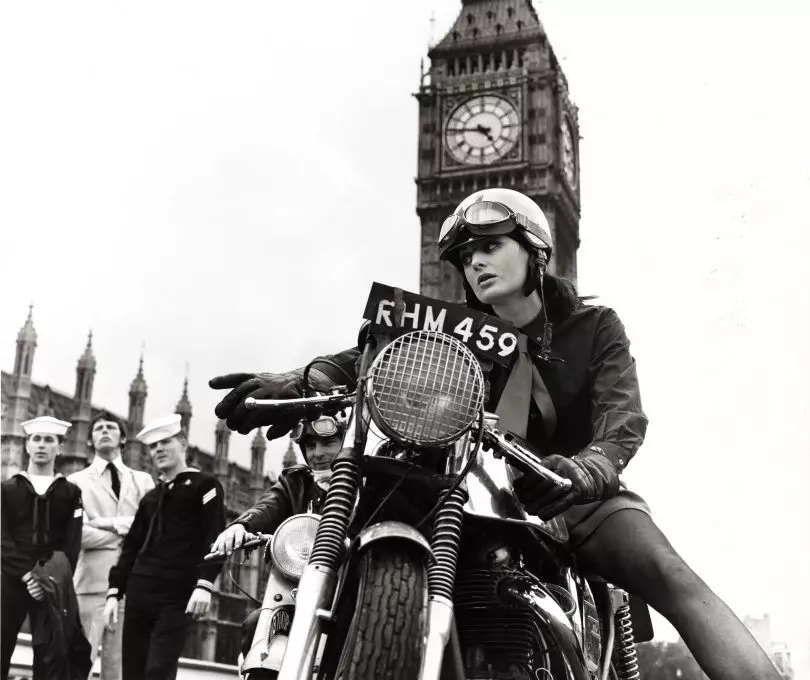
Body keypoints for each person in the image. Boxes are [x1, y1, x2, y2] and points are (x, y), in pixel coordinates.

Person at [209, 188, 781, 680]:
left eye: (490, 247)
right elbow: (372, 357)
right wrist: (298, 379)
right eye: (465, 256)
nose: (476, 264)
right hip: (461, 487)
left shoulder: (595, 327)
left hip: (568, 491)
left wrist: (586, 470)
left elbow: (622, 419)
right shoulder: (450, 332)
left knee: (666, 571)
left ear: (534, 252)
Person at [208, 414, 347, 657]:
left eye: (328, 444)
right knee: (255, 628)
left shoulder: (370, 482)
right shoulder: (296, 482)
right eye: (311, 446)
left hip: (351, 589)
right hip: (301, 589)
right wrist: (241, 526)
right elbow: (269, 506)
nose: (317, 454)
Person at [102, 414, 225, 680]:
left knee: (159, 670)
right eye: (153, 446)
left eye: (164, 442)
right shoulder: (150, 497)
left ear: (183, 443)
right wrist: (114, 591)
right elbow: (131, 548)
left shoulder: (205, 486)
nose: (158, 450)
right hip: (138, 593)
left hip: (176, 595)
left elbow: (214, 538)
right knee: (132, 672)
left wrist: (205, 584)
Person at [1, 416, 91, 680]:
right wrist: (28, 575)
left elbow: (71, 544)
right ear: (27, 445)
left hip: (52, 585)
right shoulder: (6, 489)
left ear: (60, 448)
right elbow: (1, 538)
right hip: (10, 581)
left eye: (49, 440)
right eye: (36, 439)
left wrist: (46, 580)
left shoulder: (71, 493)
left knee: (52, 656)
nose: (41, 445)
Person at [68, 411, 155, 680]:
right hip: (89, 588)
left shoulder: (143, 481)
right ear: (89, 440)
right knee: (77, 666)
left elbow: (151, 531)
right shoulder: (75, 482)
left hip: (130, 590)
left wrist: (103, 523)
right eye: (98, 429)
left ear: (123, 438)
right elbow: (77, 535)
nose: (104, 431)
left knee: (119, 671)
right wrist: (126, 530)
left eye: (111, 427)